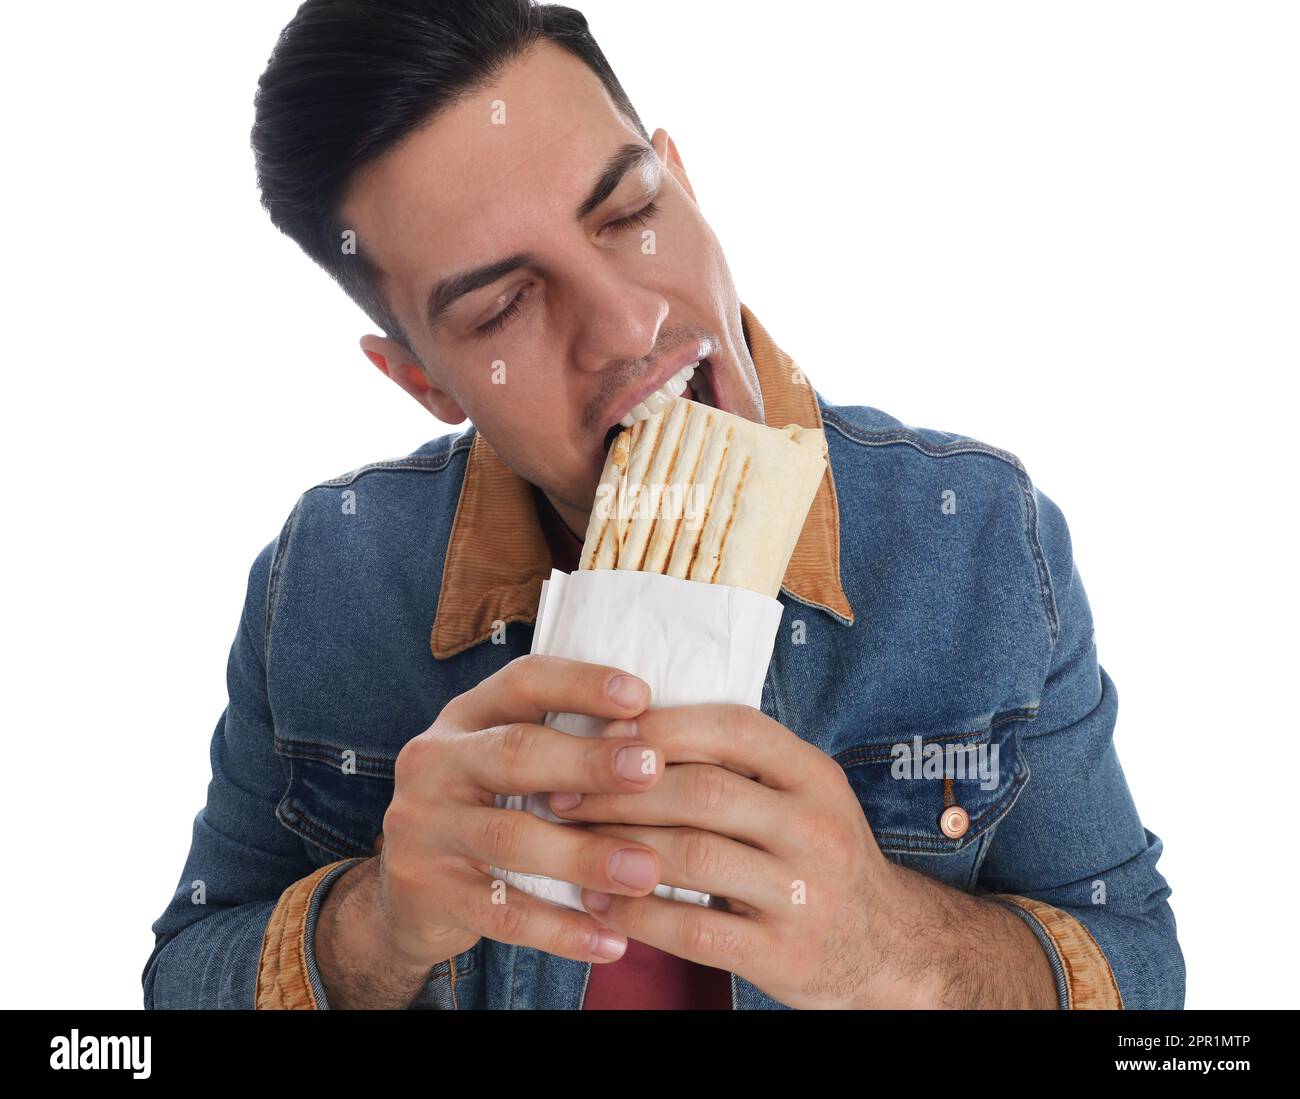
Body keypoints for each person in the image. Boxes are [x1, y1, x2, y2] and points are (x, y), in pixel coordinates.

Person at [143, 0, 1184, 1010]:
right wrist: (371, 926)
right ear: (424, 380)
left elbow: (1143, 967)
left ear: (682, 183)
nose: (627, 322)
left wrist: (896, 952)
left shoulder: (982, 538)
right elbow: (179, 973)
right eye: (503, 305)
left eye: (630, 212)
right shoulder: (328, 576)